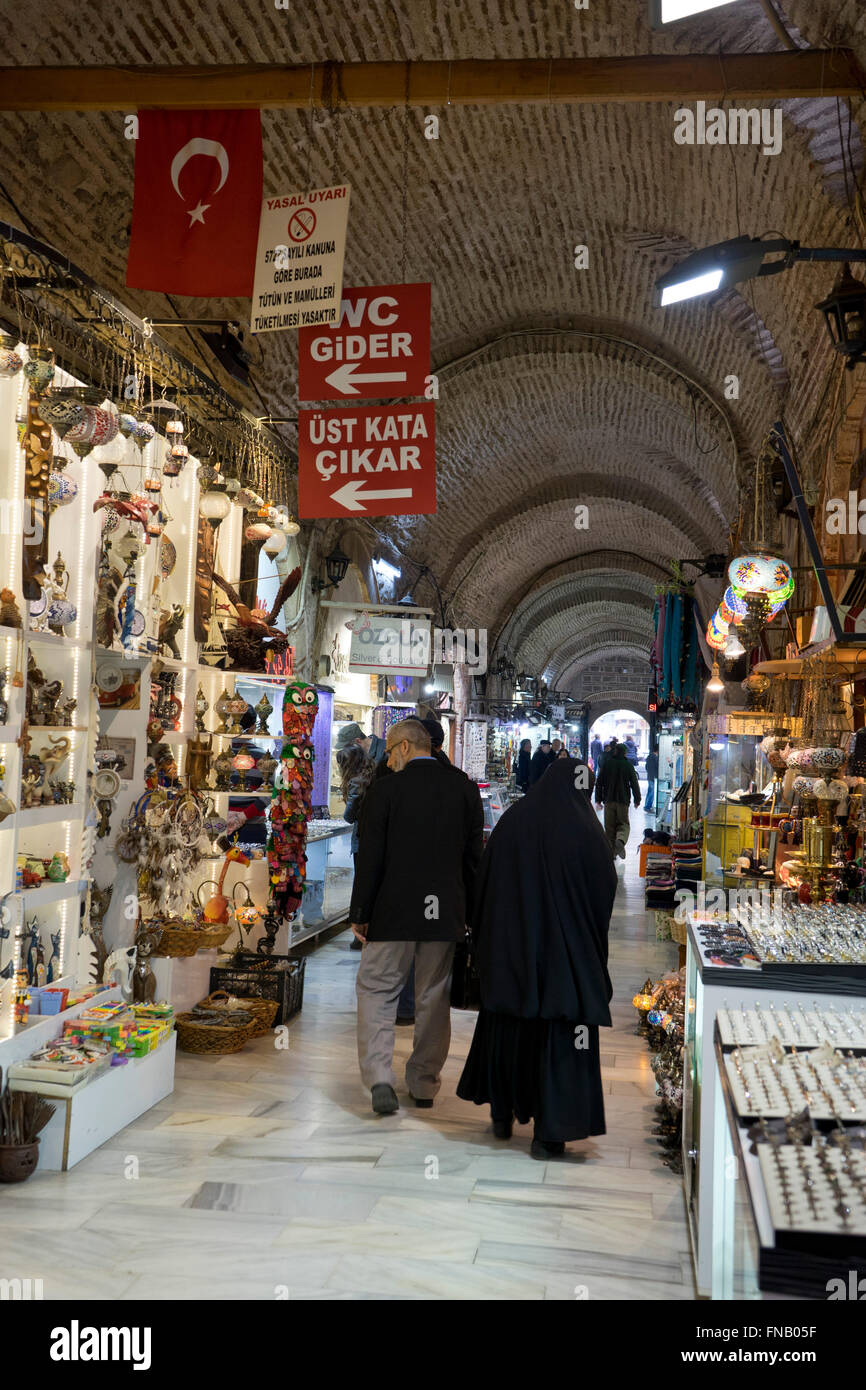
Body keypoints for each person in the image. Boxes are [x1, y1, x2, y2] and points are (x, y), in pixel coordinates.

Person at [457, 758, 616, 1158]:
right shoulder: (587, 831)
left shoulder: (515, 820)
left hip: (512, 952)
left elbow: (484, 879)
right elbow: (604, 889)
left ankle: (501, 1109)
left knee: (509, 1025)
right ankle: (551, 1133)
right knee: (563, 1035)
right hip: (567, 957)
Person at [351, 718, 484, 1115]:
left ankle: (378, 1077)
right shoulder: (463, 788)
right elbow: (473, 860)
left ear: (405, 747)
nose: (387, 759)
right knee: (433, 995)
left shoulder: (386, 791)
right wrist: (472, 914)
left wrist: (361, 912)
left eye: (390, 751)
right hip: (444, 915)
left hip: (392, 913)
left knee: (377, 990)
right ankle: (424, 1083)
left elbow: (369, 858)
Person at [594, 741, 641, 859]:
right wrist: (637, 799)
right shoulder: (628, 765)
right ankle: (620, 840)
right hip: (623, 800)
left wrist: (598, 799)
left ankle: (611, 854)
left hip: (608, 800)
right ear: (624, 752)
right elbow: (634, 783)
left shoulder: (608, 764)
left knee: (609, 828)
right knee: (623, 824)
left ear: (615, 752)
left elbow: (599, 782)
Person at [644, 747, 659, 811]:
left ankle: (647, 806)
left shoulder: (649, 756)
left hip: (650, 776)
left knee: (650, 791)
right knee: (651, 792)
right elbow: (657, 766)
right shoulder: (655, 757)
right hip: (653, 777)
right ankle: (648, 807)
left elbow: (646, 767)